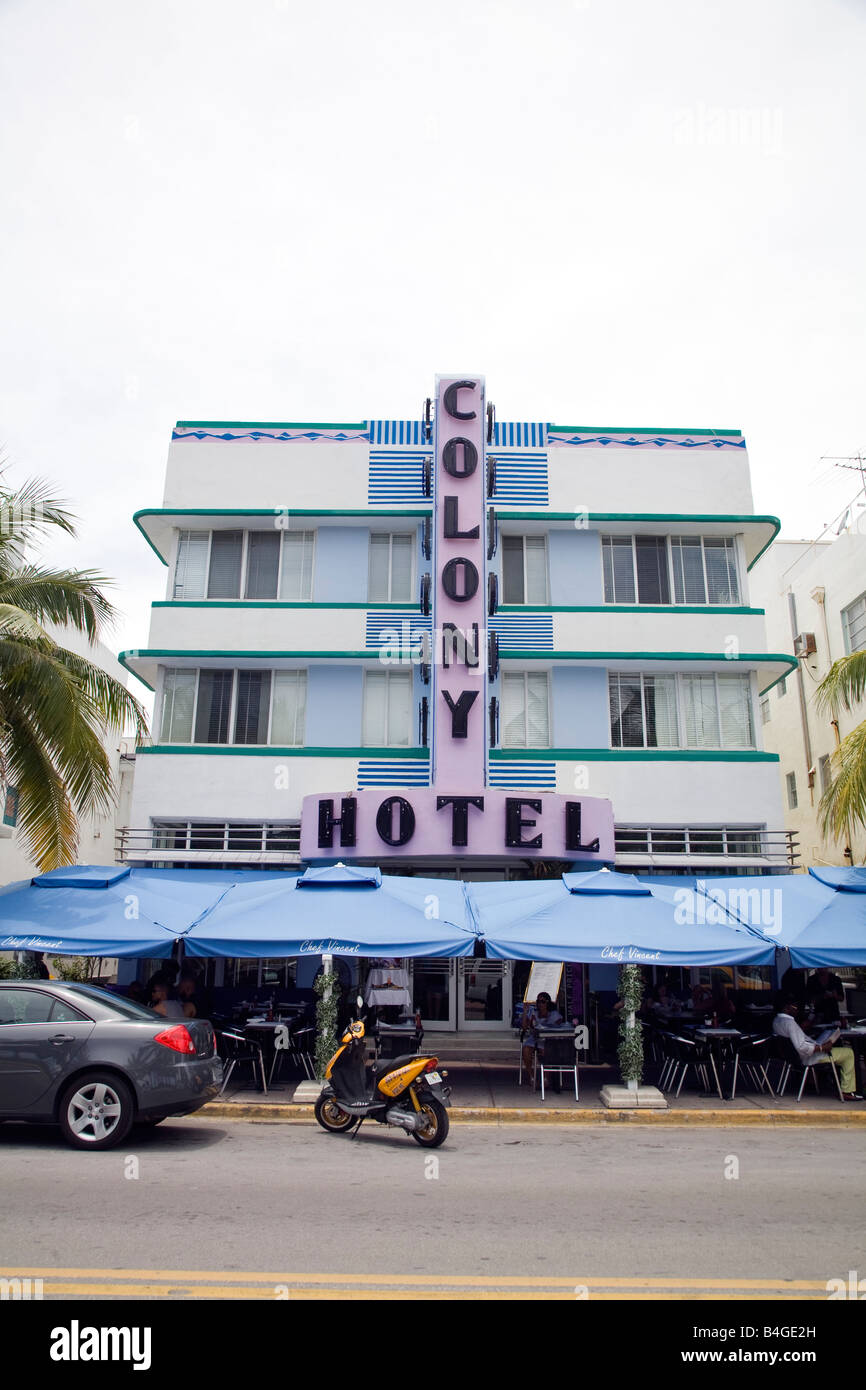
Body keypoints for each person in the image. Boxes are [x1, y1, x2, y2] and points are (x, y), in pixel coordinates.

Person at [772, 995, 862, 1101]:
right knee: (848, 1053)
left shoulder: (777, 1021)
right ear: (786, 1008)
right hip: (808, 1057)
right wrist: (821, 1048)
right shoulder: (790, 1023)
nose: (797, 1009)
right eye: (795, 1007)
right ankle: (847, 1091)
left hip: (793, 1057)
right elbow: (801, 1046)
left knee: (828, 1039)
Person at [521, 991, 565, 1088]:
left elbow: (558, 1027)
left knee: (545, 1051)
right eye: (538, 1001)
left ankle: (546, 1078)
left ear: (548, 1003)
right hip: (535, 1037)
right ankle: (532, 1076)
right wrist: (525, 1011)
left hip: (547, 1039)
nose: (540, 1004)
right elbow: (524, 1027)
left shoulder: (554, 1014)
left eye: (542, 1001)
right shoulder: (534, 1013)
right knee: (526, 1050)